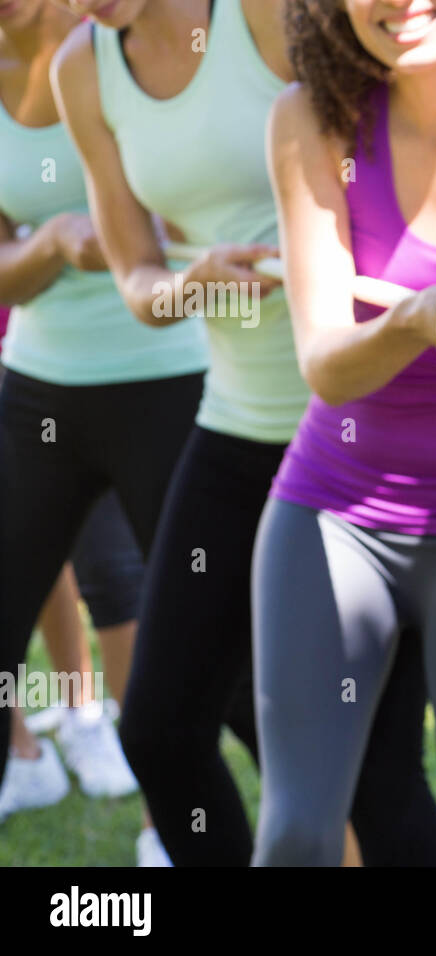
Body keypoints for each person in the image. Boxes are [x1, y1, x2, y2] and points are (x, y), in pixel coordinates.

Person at [53, 0, 436, 866]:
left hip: (360, 428)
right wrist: (195, 283)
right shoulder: (82, 69)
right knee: (159, 727)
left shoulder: (265, 16)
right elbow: (136, 279)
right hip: (234, 422)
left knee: (379, 774)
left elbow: (400, 149)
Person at [250, 0, 436, 867]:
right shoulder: (312, 117)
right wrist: (427, 319)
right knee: (299, 834)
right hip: (332, 515)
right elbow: (328, 362)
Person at [0, 0, 205, 862]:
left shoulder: (112, 53)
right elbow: (7, 276)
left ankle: (175, 824)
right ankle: (31, 755)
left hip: (167, 375)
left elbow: (201, 219)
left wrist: (128, 246)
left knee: (173, 615)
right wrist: (53, 241)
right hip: (39, 382)